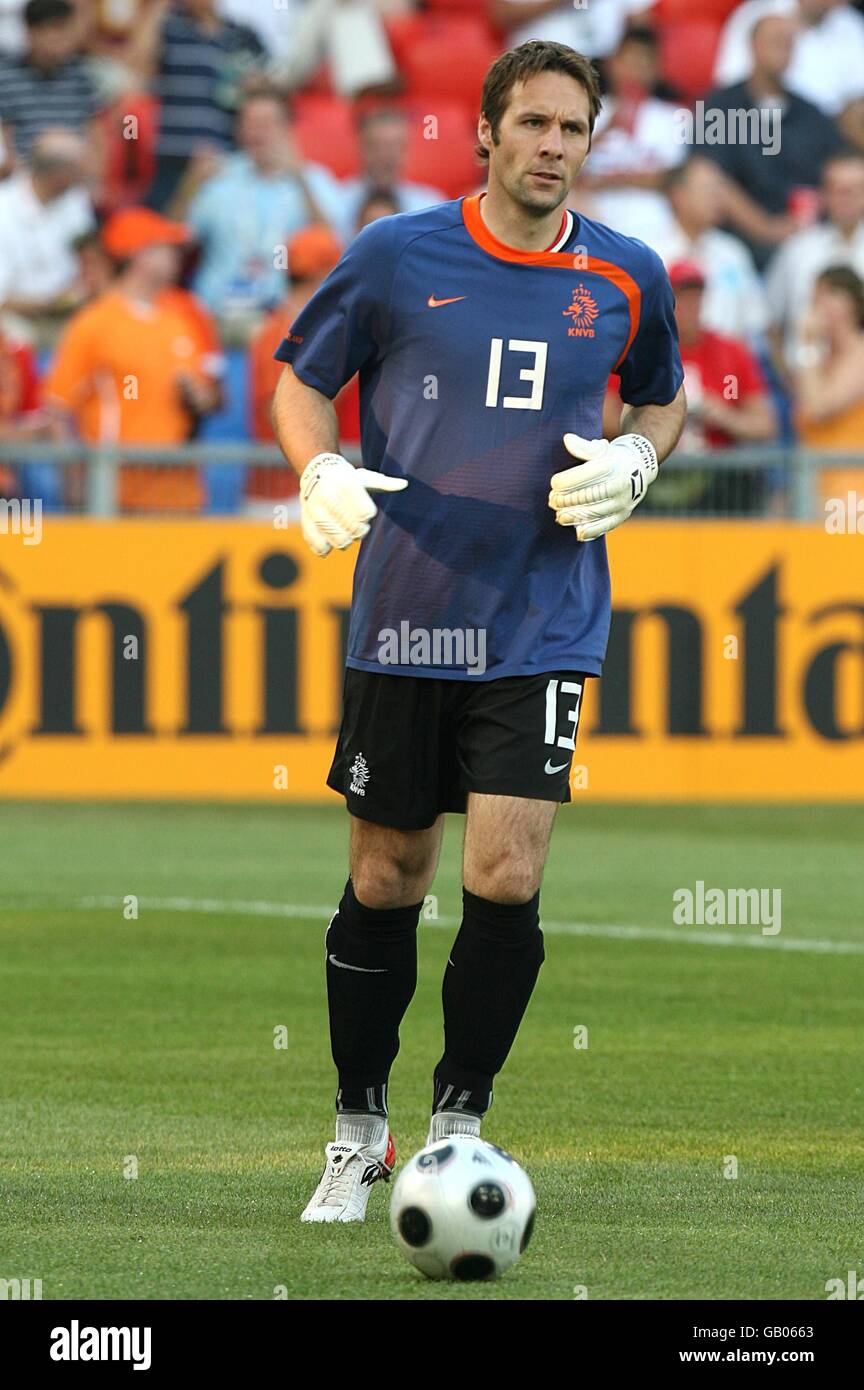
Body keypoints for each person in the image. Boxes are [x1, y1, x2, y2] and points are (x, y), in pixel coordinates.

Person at [270, 39, 686, 1223]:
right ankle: (357, 1130)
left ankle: (460, 1128)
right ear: (489, 135)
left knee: (506, 870)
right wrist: (316, 468)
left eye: (574, 129)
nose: (555, 146)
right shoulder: (399, 255)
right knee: (386, 873)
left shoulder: (628, 273)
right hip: (408, 610)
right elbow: (301, 376)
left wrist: (642, 454)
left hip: (544, 614)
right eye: (536, 125)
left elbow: (666, 389)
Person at [43, 205, 219, 510]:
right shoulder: (95, 322)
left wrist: (198, 396)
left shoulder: (180, 320)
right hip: (116, 494)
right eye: (166, 249)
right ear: (140, 255)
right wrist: (73, 480)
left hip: (178, 493)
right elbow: (57, 408)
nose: (177, 257)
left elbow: (206, 398)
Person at [700, 11, 844, 268]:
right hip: (735, 240)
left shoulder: (811, 114)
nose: (784, 50)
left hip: (805, 239)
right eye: (775, 41)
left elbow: (834, 171)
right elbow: (711, 176)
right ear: (752, 46)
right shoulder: (720, 106)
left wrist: (803, 219)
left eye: (789, 43)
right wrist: (766, 229)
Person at [183, 88, 345, 314]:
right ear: (239, 131)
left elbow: (333, 246)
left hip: (279, 316)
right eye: (250, 123)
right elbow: (180, 239)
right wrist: (190, 184)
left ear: (287, 130)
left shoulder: (313, 180)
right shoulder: (219, 176)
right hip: (214, 312)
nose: (258, 133)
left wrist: (300, 180)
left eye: (267, 123)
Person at [248, 224, 357, 506]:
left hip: (319, 488)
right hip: (284, 493)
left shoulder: (317, 328)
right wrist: (353, 366)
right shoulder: (278, 331)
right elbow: (280, 412)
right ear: (322, 275)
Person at [130, 0, 268, 213]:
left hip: (224, 162)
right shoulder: (171, 29)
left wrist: (254, 84)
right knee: (162, 228)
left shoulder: (241, 36)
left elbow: (270, 87)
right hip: (174, 159)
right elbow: (137, 63)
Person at [573, 27, 684, 245]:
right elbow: (566, 172)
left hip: (654, 226)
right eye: (629, 62)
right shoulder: (585, 111)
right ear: (612, 64)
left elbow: (670, 178)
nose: (635, 72)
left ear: (657, 70)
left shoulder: (673, 117)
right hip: (590, 222)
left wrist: (600, 182)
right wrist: (607, 130)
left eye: (644, 64)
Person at [655, 156, 769, 341]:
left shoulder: (733, 252)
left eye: (719, 189)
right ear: (678, 196)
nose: (717, 198)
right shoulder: (650, 253)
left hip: (727, 364)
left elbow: (755, 324)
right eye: (707, 190)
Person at [766, 151, 864, 364]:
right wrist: (789, 383)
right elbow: (770, 324)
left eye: (854, 190)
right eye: (839, 190)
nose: (846, 198)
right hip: (805, 379)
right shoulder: (796, 250)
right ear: (824, 194)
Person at [0, 128, 94, 317]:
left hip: (70, 311)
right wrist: (52, 304)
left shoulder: (75, 200)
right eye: (78, 171)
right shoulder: (4, 208)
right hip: (13, 319)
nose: (86, 176)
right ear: (59, 176)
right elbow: (3, 299)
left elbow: (88, 257)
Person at [0, 0, 106, 165]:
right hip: (24, 178)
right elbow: (5, 139)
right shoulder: (6, 77)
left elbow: (94, 132)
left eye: (67, 30)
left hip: (73, 174)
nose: (62, 39)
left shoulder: (82, 76)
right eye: (56, 29)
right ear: (31, 32)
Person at [333, 109, 446, 244]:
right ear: (361, 148)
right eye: (379, 146)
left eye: (396, 147)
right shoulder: (336, 202)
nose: (388, 157)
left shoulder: (430, 205)